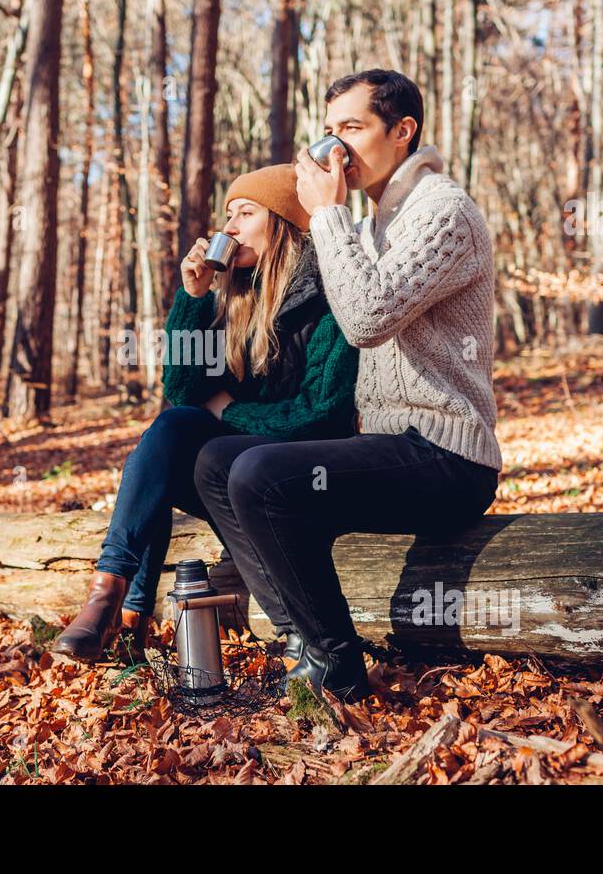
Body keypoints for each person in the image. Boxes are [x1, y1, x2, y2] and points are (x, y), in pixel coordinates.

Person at [193, 69, 503, 702]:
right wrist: (207, 289)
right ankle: (299, 638)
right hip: (386, 452)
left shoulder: (444, 213)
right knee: (216, 460)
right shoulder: (366, 225)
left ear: (402, 131)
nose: (336, 147)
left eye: (353, 129)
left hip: (447, 457)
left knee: (260, 476)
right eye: (330, 130)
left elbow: (366, 319)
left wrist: (329, 215)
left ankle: (336, 662)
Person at [50, 164, 358, 665]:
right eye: (228, 214)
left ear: (282, 223)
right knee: (173, 429)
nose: (229, 227)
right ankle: (115, 602)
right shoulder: (237, 299)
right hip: (229, 466)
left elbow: (319, 416)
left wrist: (231, 411)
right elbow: (182, 391)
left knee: (185, 442)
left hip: (298, 476)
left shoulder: (327, 298)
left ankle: (121, 609)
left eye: (246, 213)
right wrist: (192, 298)